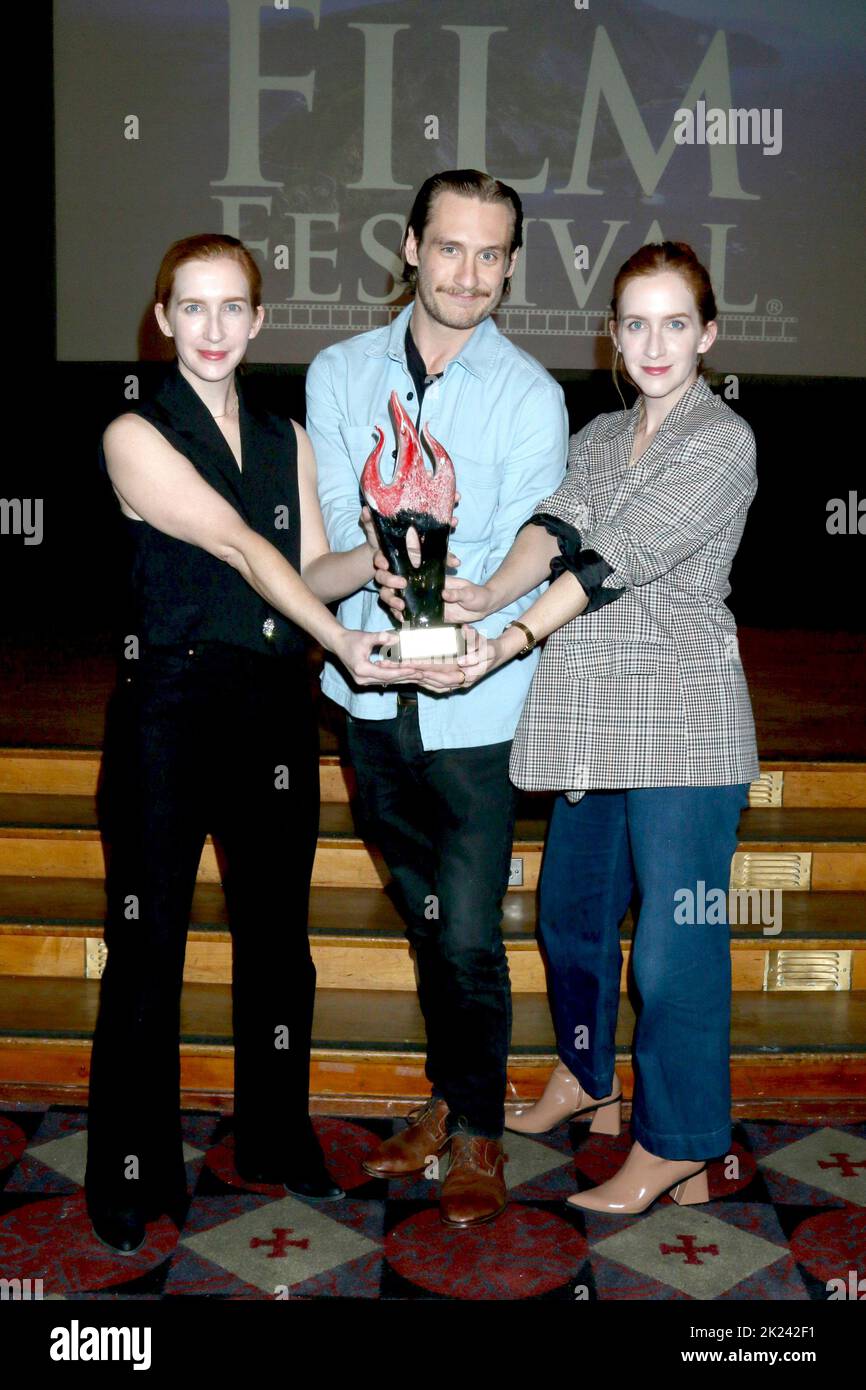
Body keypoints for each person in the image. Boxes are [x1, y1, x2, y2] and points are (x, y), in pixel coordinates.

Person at [386, 240, 760, 1215]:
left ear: (706, 335)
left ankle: (674, 1143)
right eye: (633, 322)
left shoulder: (721, 441)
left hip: (681, 721)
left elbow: (613, 561)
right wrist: (478, 594)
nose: (652, 341)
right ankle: (588, 1080)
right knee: (568, 920)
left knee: (676, 951)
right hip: (592, 720)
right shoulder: (598, 436)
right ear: (611, 336)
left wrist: (508, 638)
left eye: (673, 322)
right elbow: (556, 527)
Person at [86, 233, 413, 1255]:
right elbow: (237, 544)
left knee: (280, 944)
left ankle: (275, 1137)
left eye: (234, 308)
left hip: (272, 712)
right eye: (194, 307)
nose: (215, 327)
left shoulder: (287, 436)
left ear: (258, 320)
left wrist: (380, 554)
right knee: (150, 948)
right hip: (169, 714)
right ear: (164, 319)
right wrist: (343, 643)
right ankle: (131, 1170)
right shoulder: (133, 433)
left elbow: (307, 568)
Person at [305, 171, 567, 1226]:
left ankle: (478, 1131)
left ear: (509, 264)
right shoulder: (337, 372)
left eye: (490, 254)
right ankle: (446, 1093)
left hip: (476, 705)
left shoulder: (531, 395)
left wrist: (476, 607)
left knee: (463, 929)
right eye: (449, 248)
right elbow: (326, 523)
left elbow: (523, 541)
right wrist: (364, 572)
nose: (468, 273)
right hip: (367, 698)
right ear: (410, 246)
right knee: (424, 926)